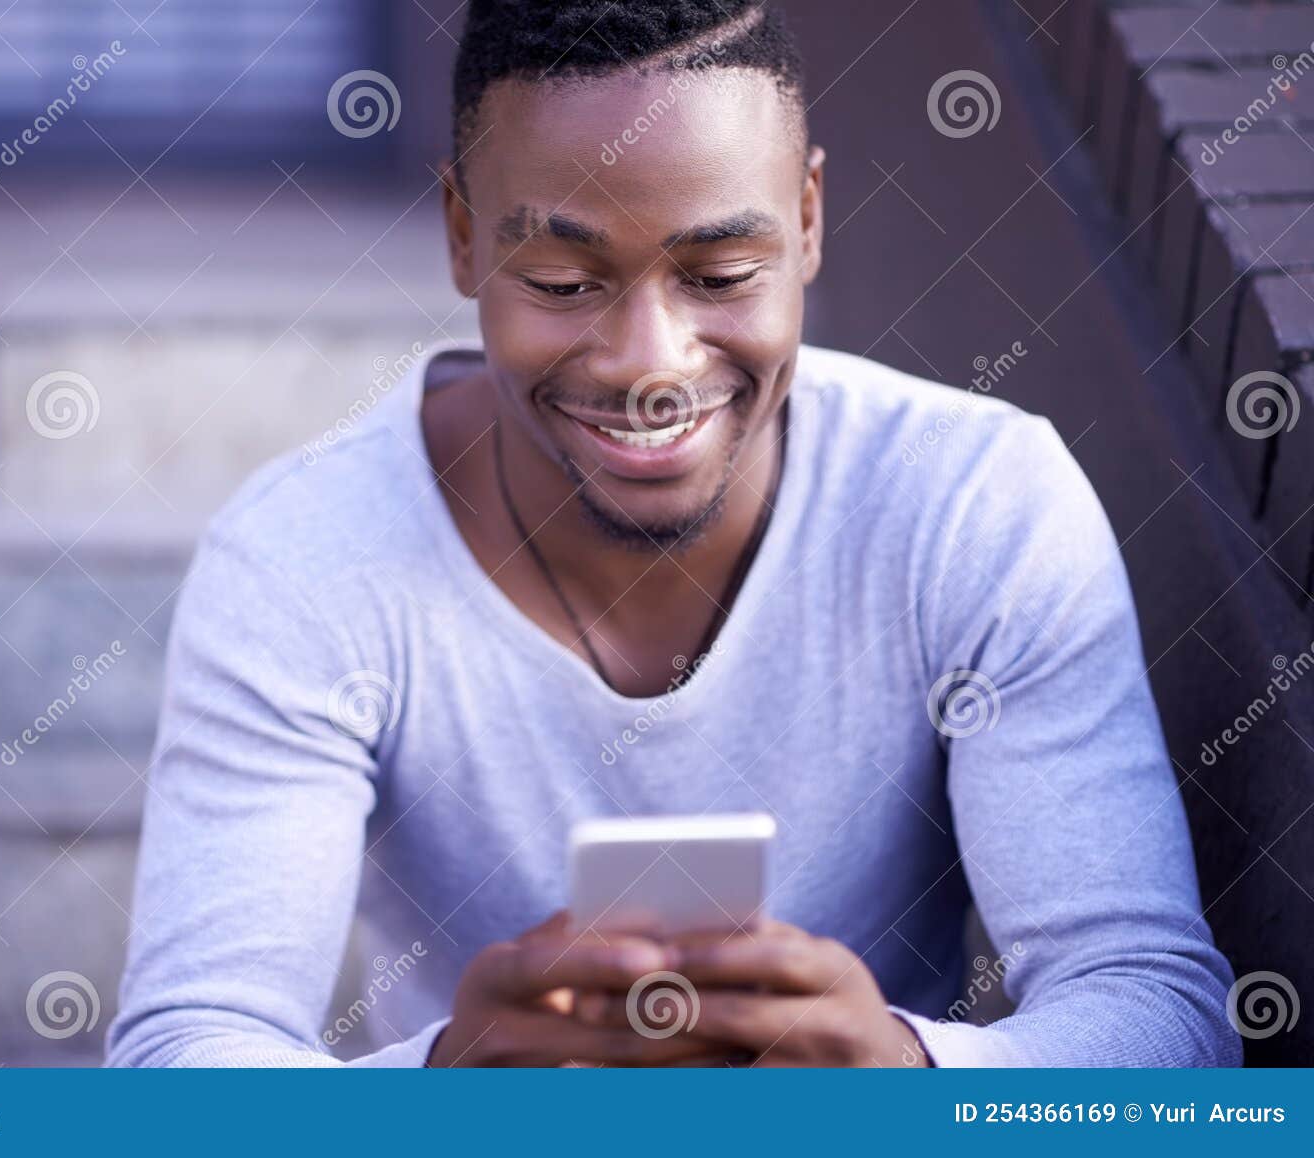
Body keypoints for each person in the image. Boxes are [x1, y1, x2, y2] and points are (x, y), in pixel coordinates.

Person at [104, 0, 1240, 1068]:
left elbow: (1160, 1019)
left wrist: (910, 1074)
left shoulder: (975, 505)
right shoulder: (303, 557)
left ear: (806, 220)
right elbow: (184, 1057)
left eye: (719, 274)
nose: (649, 362)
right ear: (461, 237)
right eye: (560, 279)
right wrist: (444, 1085)